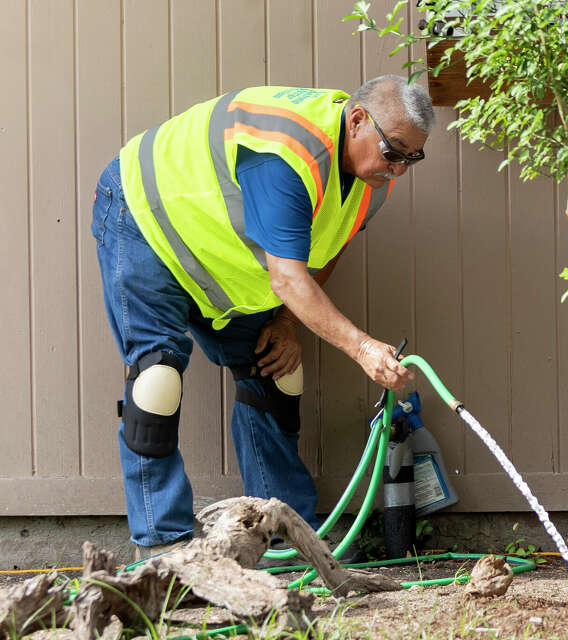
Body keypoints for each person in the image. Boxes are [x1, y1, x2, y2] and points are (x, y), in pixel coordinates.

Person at [90, 75, 433, 558]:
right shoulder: (286, 153)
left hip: (218, 256)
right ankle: (167, 549)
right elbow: (290, 278)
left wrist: (287, 323)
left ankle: (286, 537)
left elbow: (328, 243)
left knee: (277, 373)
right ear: (357, 121)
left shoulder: (373, 178)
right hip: (146, 219)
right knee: (157, 381)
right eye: (395, 151)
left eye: (412, 158)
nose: (399, 169)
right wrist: (362, 347)